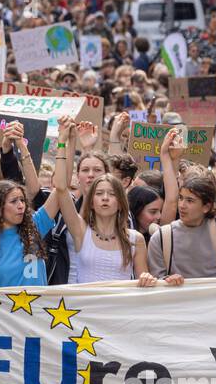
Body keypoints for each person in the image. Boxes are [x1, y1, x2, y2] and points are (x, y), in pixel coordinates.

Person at [54, 119, 155, 284]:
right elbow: (60, 187)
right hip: (83, 308)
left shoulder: (136, 239)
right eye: (99, 193)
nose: (106, 198)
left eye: (112, 194)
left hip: (119, 308)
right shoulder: (80, 231)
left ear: (121, 202)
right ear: (91, 202)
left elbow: (143, 282)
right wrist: (62, 143)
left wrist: (147, 278)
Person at [0, 176, 67, 294]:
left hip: (39, 310)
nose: (21, 206)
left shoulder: (34, 226)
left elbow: (61, 187)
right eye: (14, 201)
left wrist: (64, 156)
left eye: (22, 200)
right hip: (4, 312)